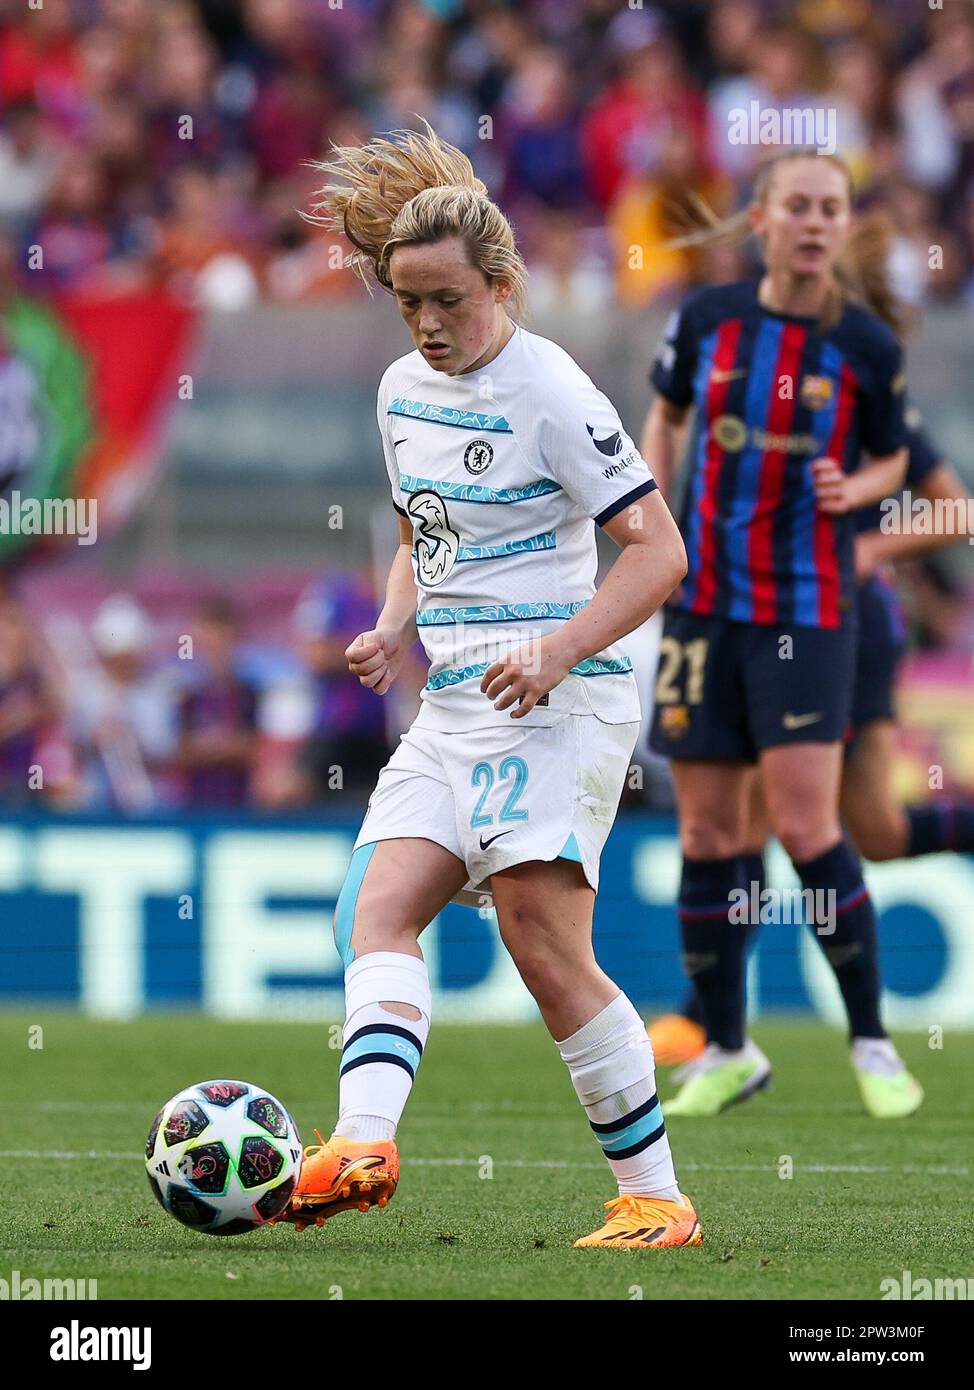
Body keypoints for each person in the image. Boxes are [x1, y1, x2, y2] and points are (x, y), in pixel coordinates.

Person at [274, 123, 701, 1250]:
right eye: (406, 301)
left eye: (447, 301)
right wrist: (388, 626)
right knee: (375, 905)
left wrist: (557, 647)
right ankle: (363, 1143)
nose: (426, 323)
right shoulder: (398, 390)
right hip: (456, 696)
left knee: (543, 945)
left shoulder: (552, 388)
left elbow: (659, 554)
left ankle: (655, 1199)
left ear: (501, 285)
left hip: (562, 695)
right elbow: (426, 530)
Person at [641, 148, 923, 1120]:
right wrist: (648, 515)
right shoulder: (705, 319)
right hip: (700, 607)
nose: (811, 222)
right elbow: (665, 417)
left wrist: (862, 491)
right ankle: (724, 1045)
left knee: (807, 826)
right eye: (794, 205)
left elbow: (898, 462)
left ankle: (872, 1040)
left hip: (804, 613)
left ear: (845, 225)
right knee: (704, 829)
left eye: (828, 208)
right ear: (758, 219)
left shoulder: (864, 347)